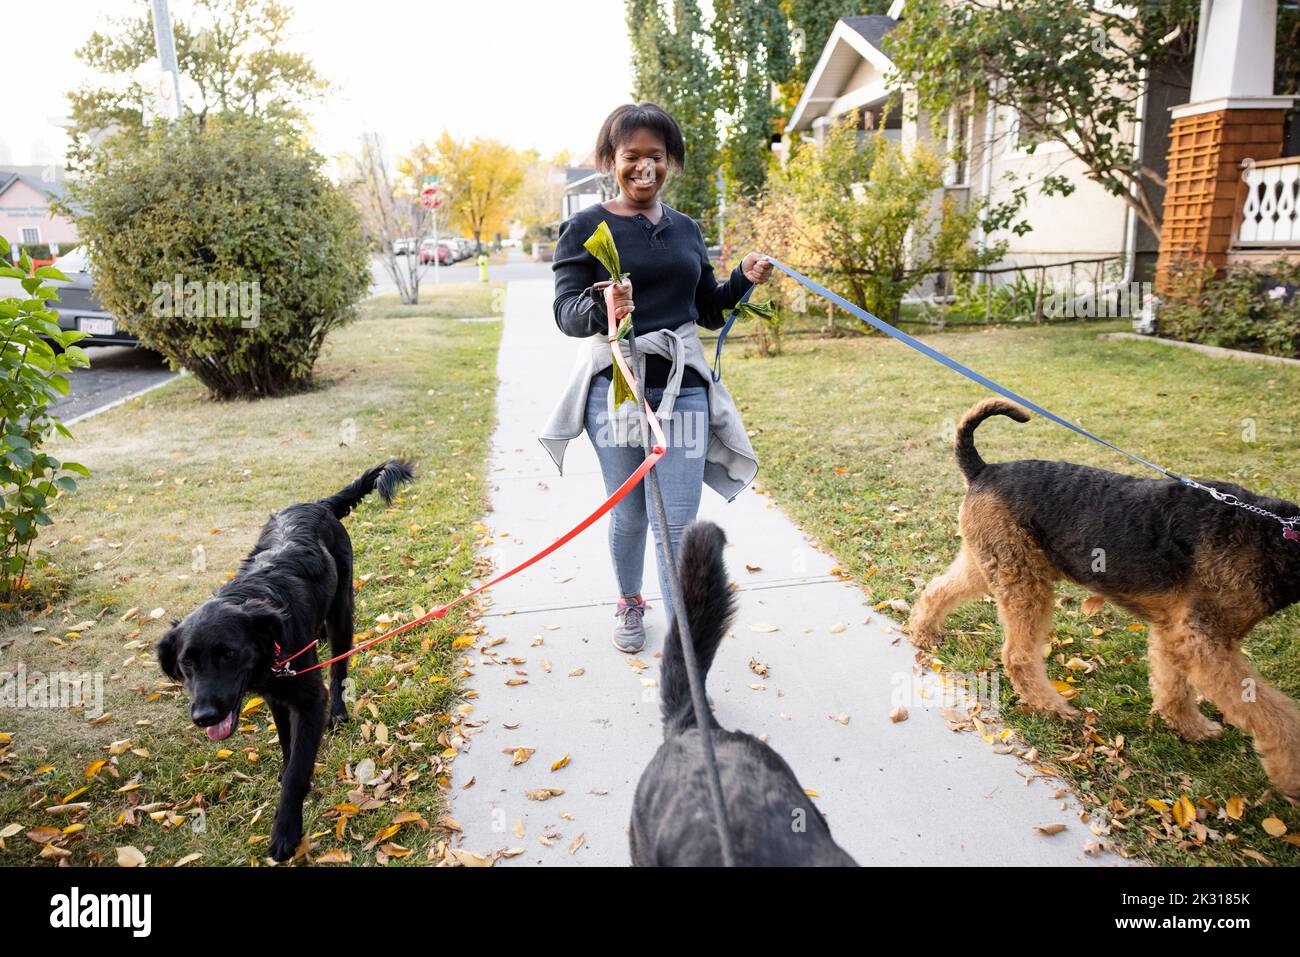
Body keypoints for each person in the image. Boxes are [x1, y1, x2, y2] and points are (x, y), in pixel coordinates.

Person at [539, 102, 773, 654]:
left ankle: (686, 638)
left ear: (671, 163)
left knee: (679, 522)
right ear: (610, 161)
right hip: (615, 390)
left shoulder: (688, 230)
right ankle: (629, 599)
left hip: (685, 389)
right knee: (632, 514)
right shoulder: (584, 228)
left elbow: (708, 310)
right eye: (632, 156)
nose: (645, 166)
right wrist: (605, 306)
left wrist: (741, 278)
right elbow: (565, 314)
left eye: (657, 156)